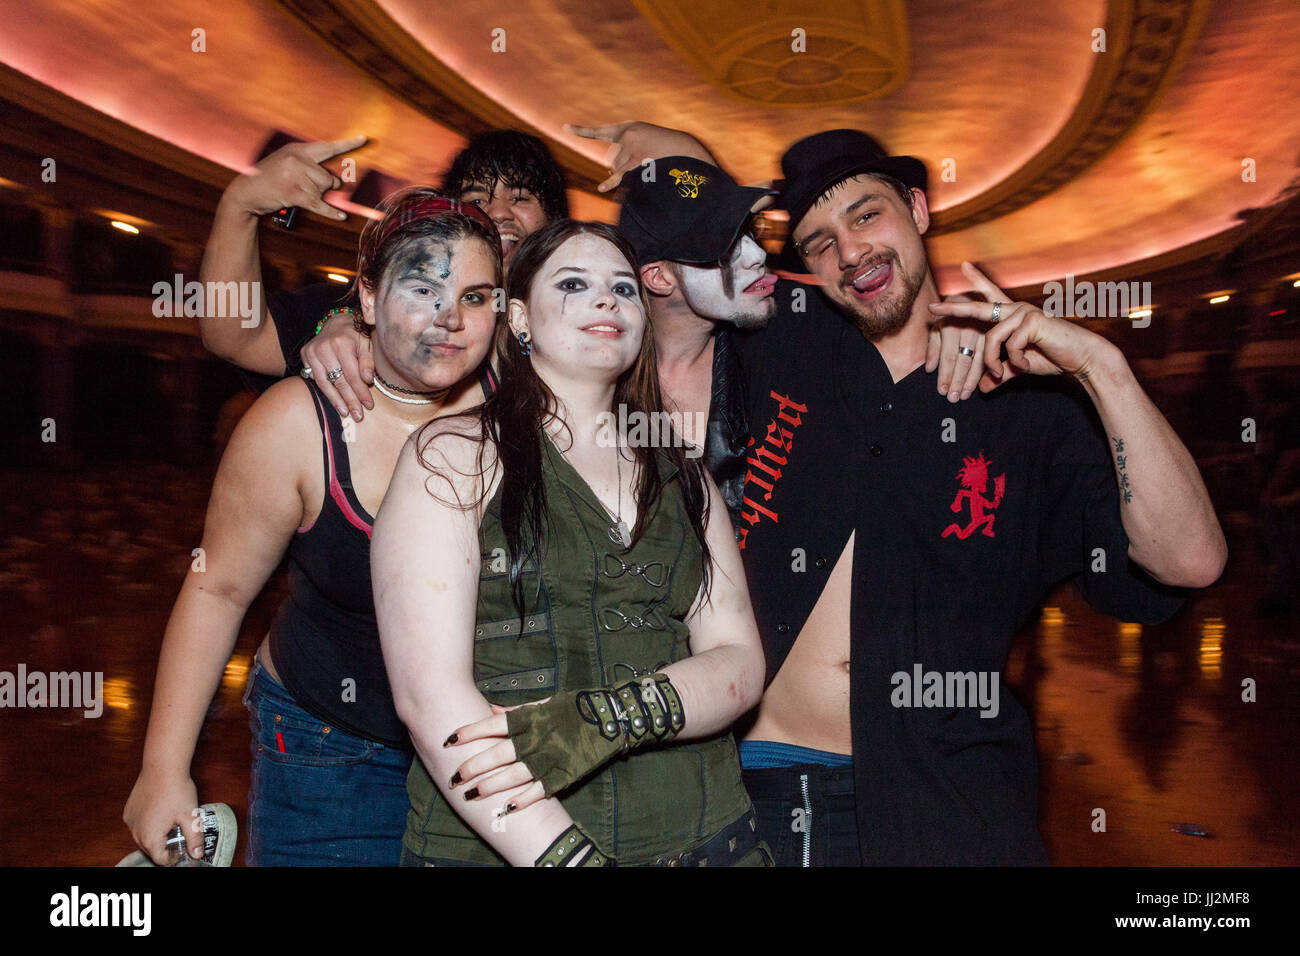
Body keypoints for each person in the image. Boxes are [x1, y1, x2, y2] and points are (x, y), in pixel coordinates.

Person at [580, 122, 1226, 865]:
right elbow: (694, 236)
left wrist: (1102, 370)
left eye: (866, 215)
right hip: (746, 796)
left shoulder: (1026, 402)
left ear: (918, 209)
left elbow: (1191, 562)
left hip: (948, 809)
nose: (850, 253)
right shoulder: (780, 347)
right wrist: (655, 145)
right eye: (819, 243)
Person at [372, 219, 769, 866]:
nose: (607, 300)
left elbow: (738, 660)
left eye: (624, 288)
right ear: (520, 317)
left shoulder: (683, 471)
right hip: (506, 848)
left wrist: (604, 719)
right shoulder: (454, 455)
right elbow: (430, 700)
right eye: (575, 283)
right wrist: (567, 859)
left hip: (706, 836)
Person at [124, 189, 503, 865]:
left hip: (489, 750)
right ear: (365, 298)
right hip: (330, 750)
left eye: (476, 297)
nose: (450, 319)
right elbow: (218, 591)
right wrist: (162, 768)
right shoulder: (296, 425)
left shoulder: (530, 410)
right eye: (422, 289)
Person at [615, 155, 988, 528]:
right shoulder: (596, 382)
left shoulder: (787, 331)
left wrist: (963, 318)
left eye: (749, 231)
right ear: (659, 278)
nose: (758, 255)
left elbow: (891, 316)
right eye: (722, 246)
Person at [198, 129, 568, 417]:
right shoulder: (380, 312)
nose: (498, 212)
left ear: (553, 220)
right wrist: (240, 206)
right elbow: (235, 338)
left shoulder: (578, 324)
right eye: (477, 199)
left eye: (520, 197)